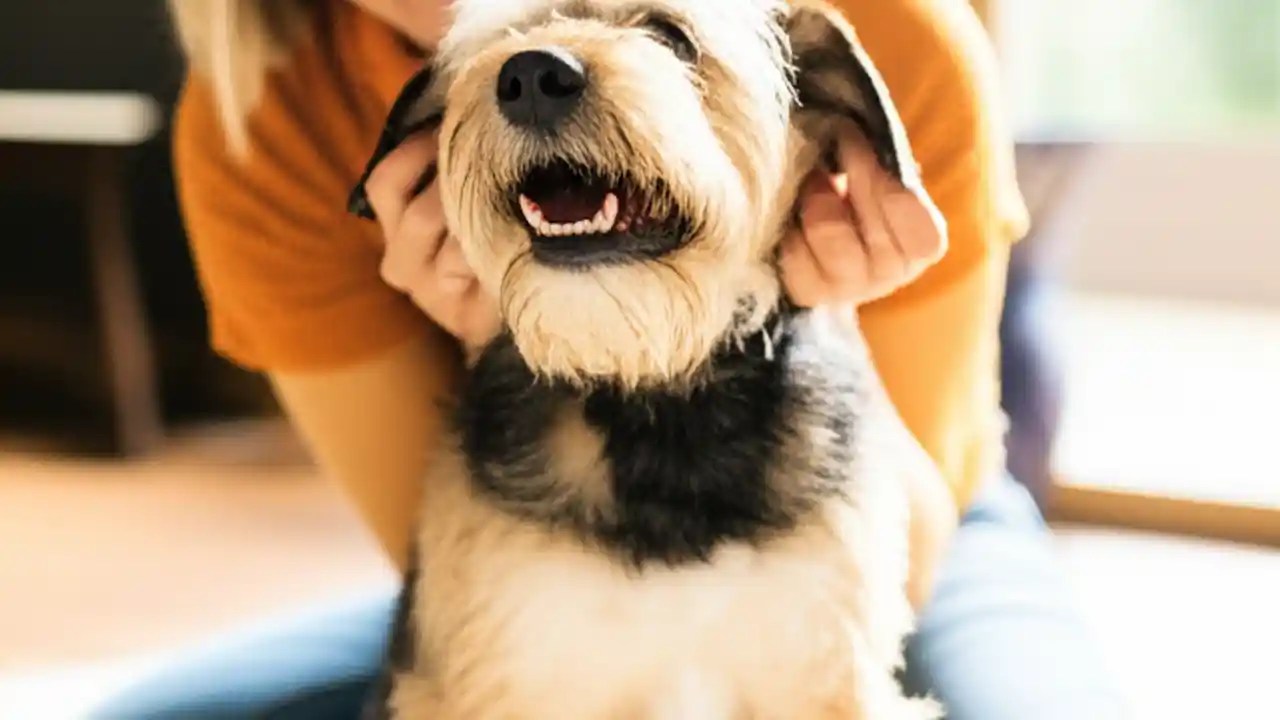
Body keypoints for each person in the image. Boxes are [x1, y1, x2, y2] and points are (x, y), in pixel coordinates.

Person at [96, 0, 1126, 718]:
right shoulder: (261, 110)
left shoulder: (886, 29)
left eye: (669, 34)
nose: (544, 71)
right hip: (536, 518)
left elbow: (905, 561)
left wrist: (818, 302)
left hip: (910, 508)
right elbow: (433, 588)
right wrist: (504, 312)